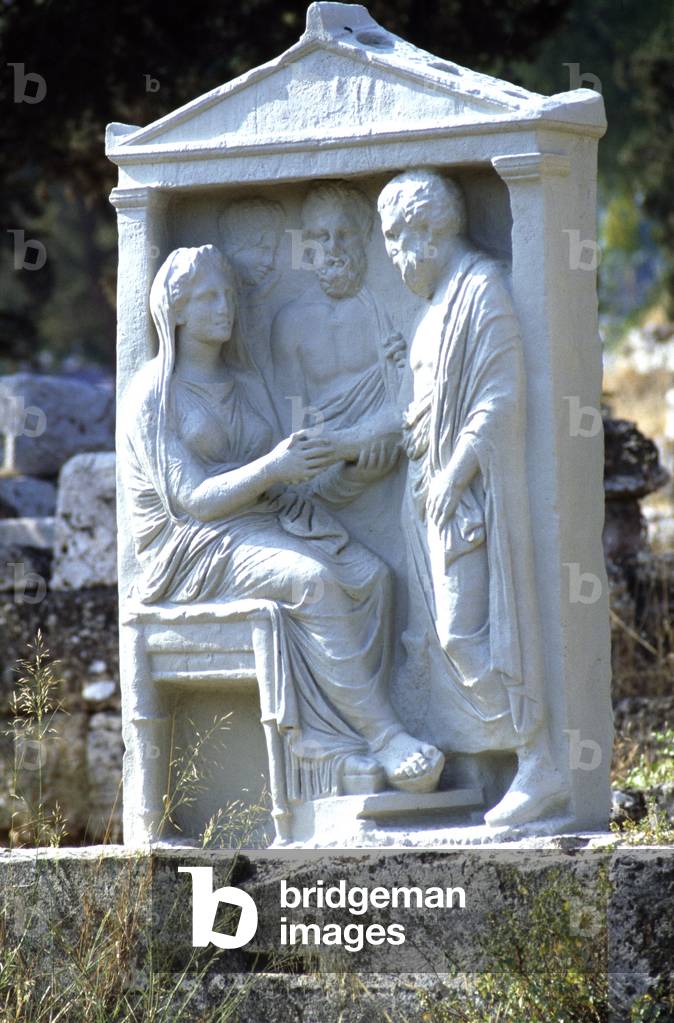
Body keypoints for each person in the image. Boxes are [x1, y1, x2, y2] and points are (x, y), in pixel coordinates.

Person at [119, 244, 444, 813]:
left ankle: (337, 747)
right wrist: (273, 466)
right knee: (311, 580)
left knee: (371, 576)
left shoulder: (244, 382)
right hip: (191, 548)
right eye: (207, 298)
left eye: (228, 295)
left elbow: (281, 481)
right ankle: (384, 737)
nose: (225, 307)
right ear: (175, 311)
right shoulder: (154, 392)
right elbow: (191, 499)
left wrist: (345, 464)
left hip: (260, 522)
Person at [377, 169, 567, 827]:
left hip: (468, 498)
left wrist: (455, 472)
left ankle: (539, 760)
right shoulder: (434, 309)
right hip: (429, 494)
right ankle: (491, 761)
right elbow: (429, 407)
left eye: (397, 243)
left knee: (468, 631)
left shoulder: (481, 290)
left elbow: (500, 398)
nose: (396, 261)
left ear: (428, 232)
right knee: (445, 637)